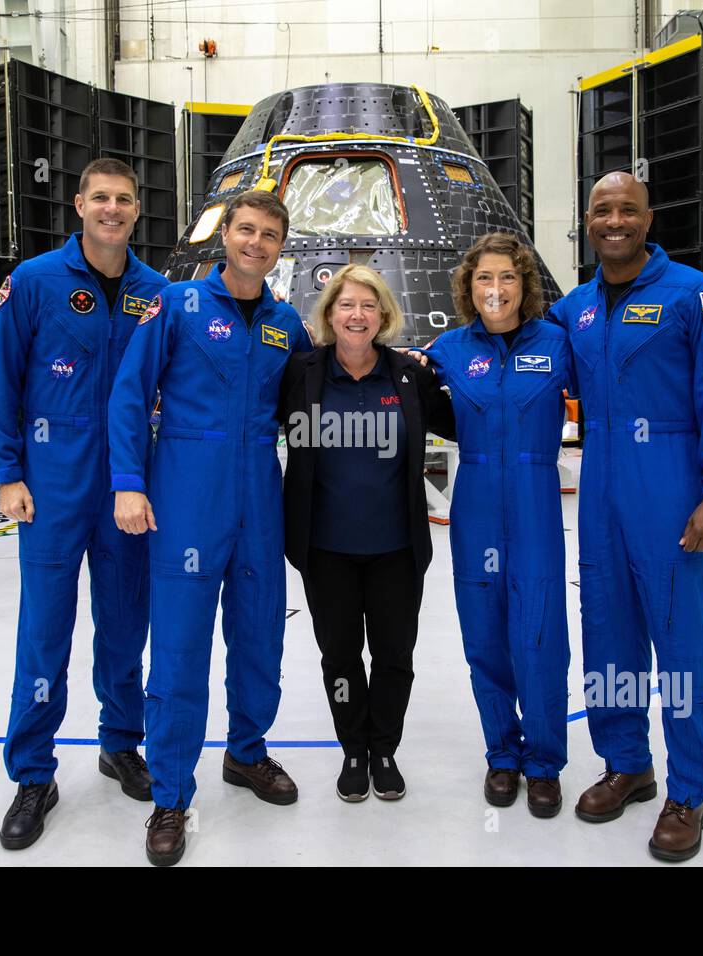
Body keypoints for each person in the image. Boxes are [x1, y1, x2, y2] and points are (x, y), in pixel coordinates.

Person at [546, 171, 703, 862]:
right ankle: (627, 762)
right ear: (587, 220)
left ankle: (688, 790)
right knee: (608, 630)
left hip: (671, 476)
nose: (614, 221)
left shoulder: (699, 295)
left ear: (647, 218)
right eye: (601, 209)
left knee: (680, 642)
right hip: (600, 476)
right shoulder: (574, 309)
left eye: (626, 209)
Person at [109, 189, 312, 867]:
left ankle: (246, 754)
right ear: (224, 235)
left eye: (270, 234)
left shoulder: (288, 325)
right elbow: (130, 394)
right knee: (180, 649)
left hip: (260, 496)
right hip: (187, 493)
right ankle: (170, 795)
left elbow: (317, 405)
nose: (257, 243)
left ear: (282, 246)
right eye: (246, 230)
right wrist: (130, 483)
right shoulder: (179, 305)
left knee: (260, 638)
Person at [0, 158, 168, 850]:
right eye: (100, 198)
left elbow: (165, 391)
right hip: (53, 487)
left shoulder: (157, 292)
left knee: (124, 626)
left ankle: (120, 743)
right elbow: (1, 381)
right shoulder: (32, 283)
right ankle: (33, 772)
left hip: (126, 490)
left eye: (123, 199)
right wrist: (7, 473)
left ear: (136, 209)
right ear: (78, 204)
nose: (111, 210)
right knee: (45, 632)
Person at [278, 265, 456, 803]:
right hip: (325, 548)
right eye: (346, 305)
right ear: (329, 314)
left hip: (396, 550)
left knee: (395, 655)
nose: (357, 315)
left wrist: (448, 359)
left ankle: (384, 749)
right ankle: (353, 749)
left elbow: (462, 416)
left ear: (383, 314)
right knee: (340, 656)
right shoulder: (301, 373)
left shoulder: (409, 375)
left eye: (368, 305)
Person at [416, 232, 573, 819]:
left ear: (524, 284)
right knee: (483, 634)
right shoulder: (449, 351)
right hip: (475, 502)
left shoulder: (558, 345)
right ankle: (501, 754)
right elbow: (405, 400)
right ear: (469, 285)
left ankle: (544, 763)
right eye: (485, 277)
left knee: (539, 633)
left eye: (508, 277)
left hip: (535, 501)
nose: (496, 289)